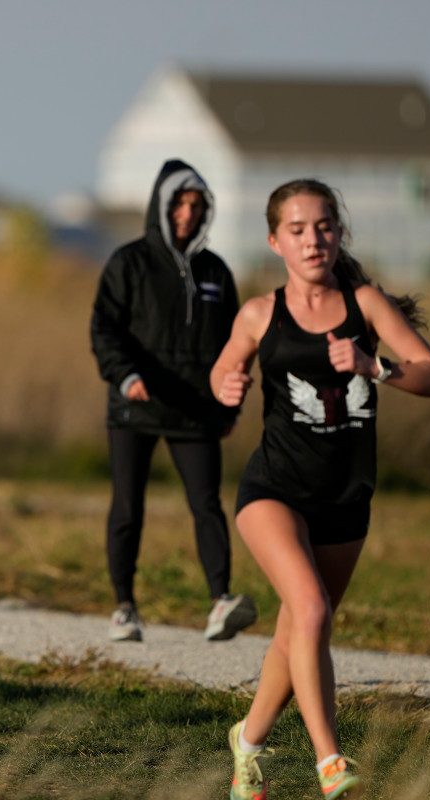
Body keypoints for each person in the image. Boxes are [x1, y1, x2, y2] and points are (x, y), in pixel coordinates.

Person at [212, 179, 430, 800]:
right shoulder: (261, 313)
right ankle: (329, 759)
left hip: (346, 496)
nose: (312, 239)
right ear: (274, 241)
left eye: (323, 226)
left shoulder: (365, 304)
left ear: (339, 234)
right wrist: (226, 387)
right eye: (297, 229)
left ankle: (248, 743)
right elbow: (224, 366)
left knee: (298, 633)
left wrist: (377, 368)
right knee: (310, 611)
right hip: (274, 489)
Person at [90, 158, 255, 642]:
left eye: (197, 204)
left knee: (207, 503)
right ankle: (124, 607)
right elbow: (104, 329)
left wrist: (229, 406)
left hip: (197, 408)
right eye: (180, 203)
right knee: (127, 506)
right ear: (162, 206)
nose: (188, 212)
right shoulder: (129, 262)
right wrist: (124, 376)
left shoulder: (216, 272)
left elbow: (237, 344)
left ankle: (222, 602)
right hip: (135, 405)